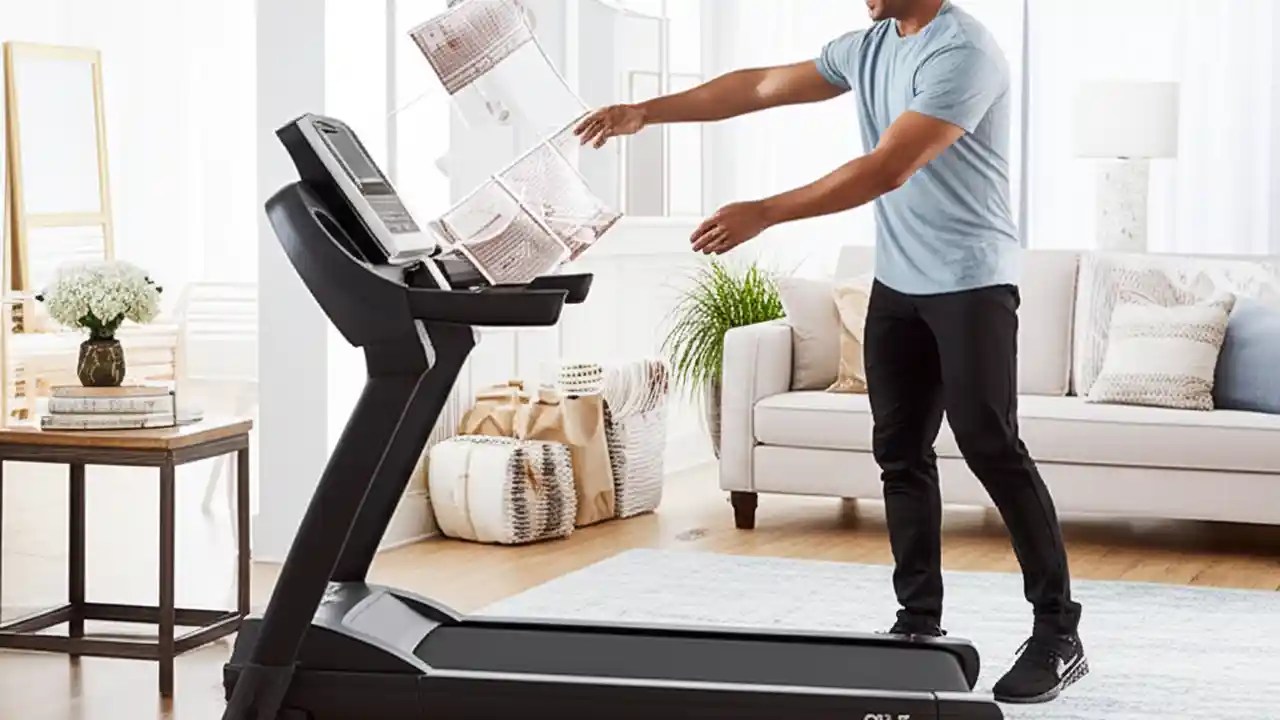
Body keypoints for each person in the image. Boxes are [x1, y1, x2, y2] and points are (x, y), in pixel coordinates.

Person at [574, 0, 1087, 705]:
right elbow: (757, 86)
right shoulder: (870, 45)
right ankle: (917, 624)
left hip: (971, 282)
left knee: (989, 442)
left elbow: (889, 168)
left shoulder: (964, 52)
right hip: (898, 284)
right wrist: (646, 111)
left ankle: (1058, 632)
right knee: (899, 453)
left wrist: (766, 212)